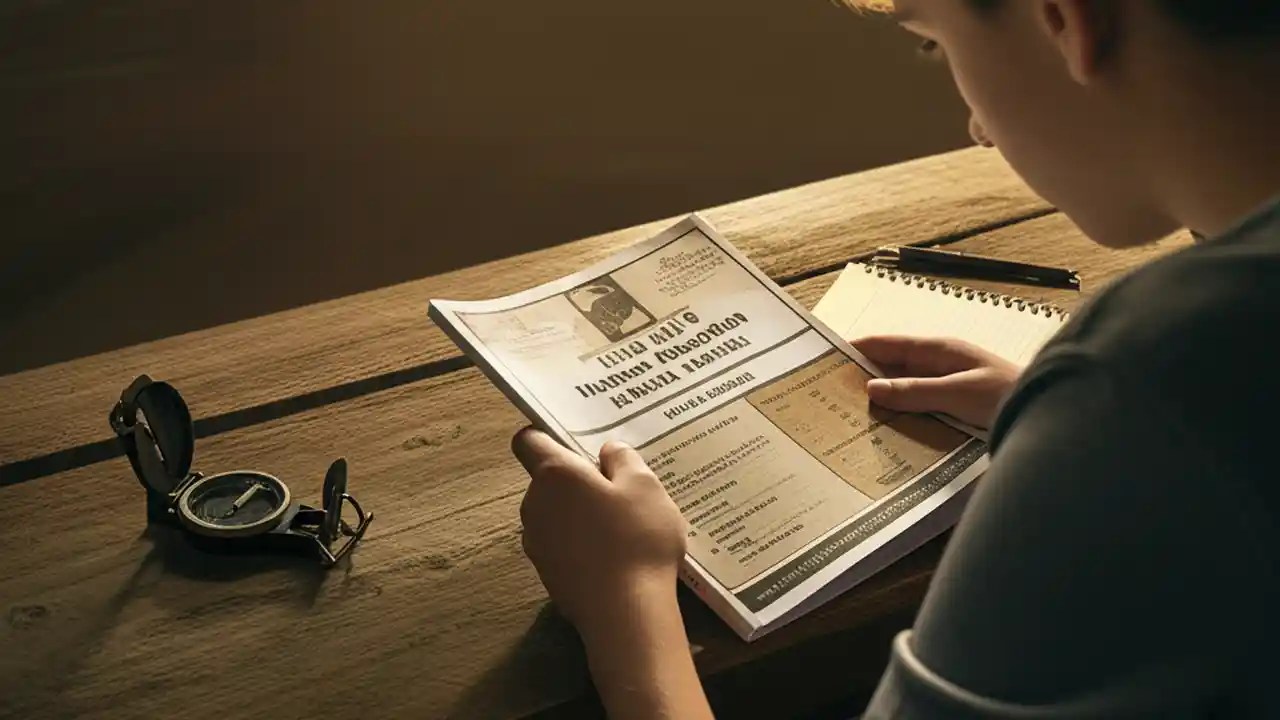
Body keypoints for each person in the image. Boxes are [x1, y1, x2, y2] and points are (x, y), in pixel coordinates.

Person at [509, 0, 1280, 716]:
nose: (976, 125)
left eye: (932, 40)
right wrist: (1074, 425)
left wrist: (625, 600)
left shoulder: (1159, 373)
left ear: (1062, 17)